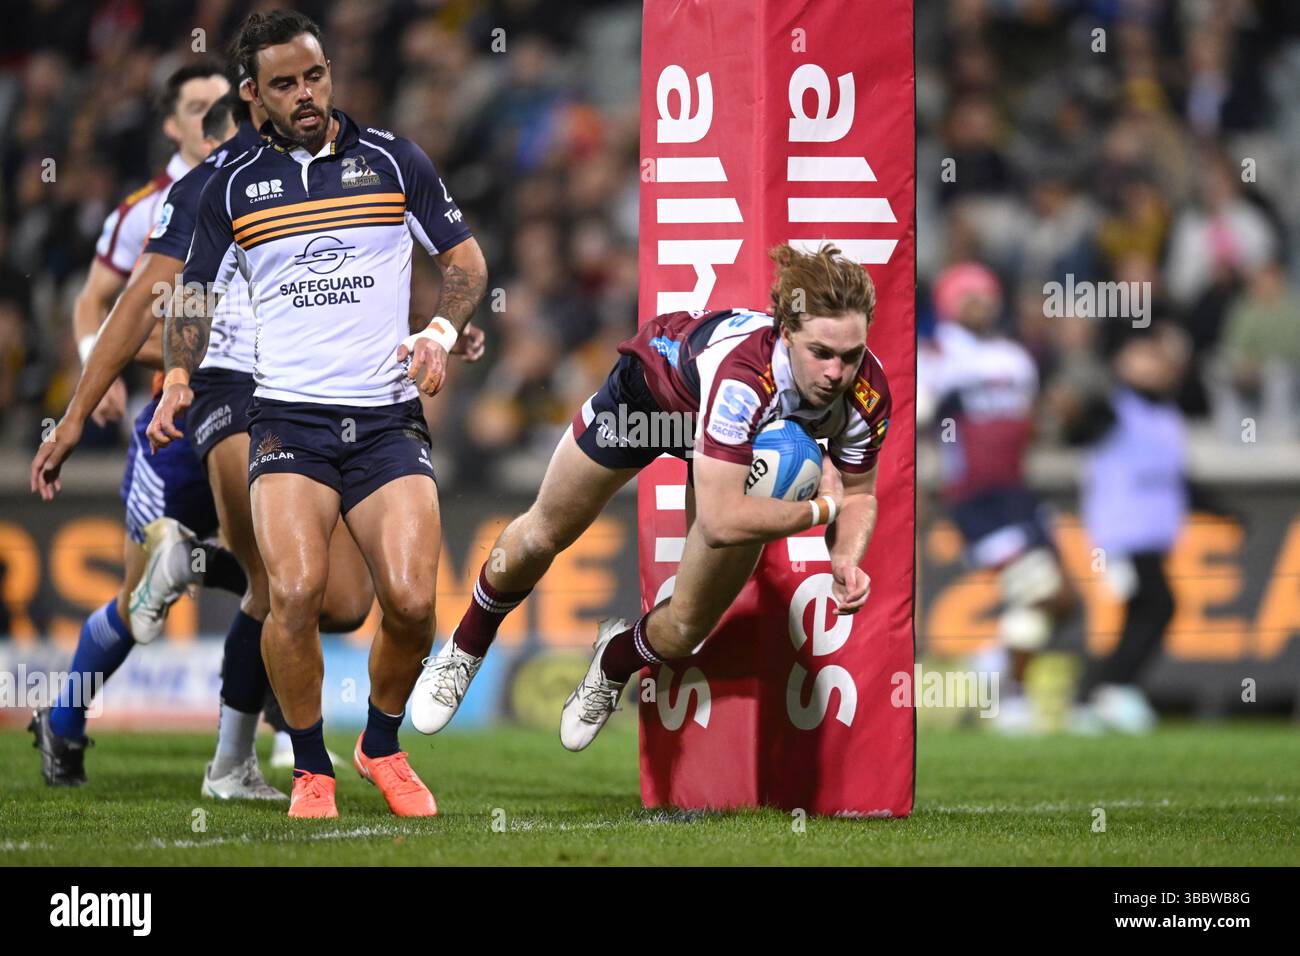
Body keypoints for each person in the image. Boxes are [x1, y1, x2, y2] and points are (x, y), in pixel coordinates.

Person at [148, 10, 488, 819]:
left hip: (385, 420)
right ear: (252, 95)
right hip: (286, 423)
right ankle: (309, 768)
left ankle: (379, 743)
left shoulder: (393, 160)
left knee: (409, 604)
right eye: (284, 84)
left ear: (329, 73)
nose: (305, 95)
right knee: (293, 595)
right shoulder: (230, 186)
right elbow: (193, 289)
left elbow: (466, 264)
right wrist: (174, 375)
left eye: (315, 76)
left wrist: (439, 332)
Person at [411, 243, 888, 752]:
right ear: (787, 333)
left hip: (736, 444)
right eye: (821, 353)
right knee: (543, 534)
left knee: (686, 629)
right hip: (651, 404)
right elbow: (724, 520)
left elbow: (860, 491)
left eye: (850, 355)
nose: (837, 373)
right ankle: (466, 645)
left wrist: (844, 559)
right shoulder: (744, 378)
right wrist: (822, 508)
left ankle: (613, 661)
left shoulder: (868, 392)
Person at [27, 62, 253, 789]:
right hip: (178, 422)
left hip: (260, 408)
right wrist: (99, 377)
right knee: (137, 602)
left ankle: (255, 750)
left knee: (288, 574)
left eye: (221, 103)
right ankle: (64, 719)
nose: (212, 114)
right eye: (197, 105)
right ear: (171, 122)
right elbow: (102, 303)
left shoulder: (270, 187)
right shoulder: (145, 210)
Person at [916, 262, 1077, 734]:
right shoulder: (935, 355)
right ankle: (1009, 693)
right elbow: (915, 428)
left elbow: (1026, 430)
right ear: (949, 302)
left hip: (1017, 492)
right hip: (974, 499)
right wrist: (923, 488)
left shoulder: (1015, 357)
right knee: (1046, 591)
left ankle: (992, 670)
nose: (981, 305)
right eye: (970, 296)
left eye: (986, 296)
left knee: (1063, 599)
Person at [1052, 324, 1190, 733]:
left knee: (1143, 613)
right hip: (1122, 535)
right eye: (1144, 357)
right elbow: (1082, 429)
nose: (1155, 365)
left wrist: (1225, 510)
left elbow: (1181, 478)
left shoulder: (1166, 415)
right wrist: (1073, 405)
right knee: (1159, 604)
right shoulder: (1113, 408)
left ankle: (1096, 695)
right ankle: (1110, 689)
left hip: (1153, 535)